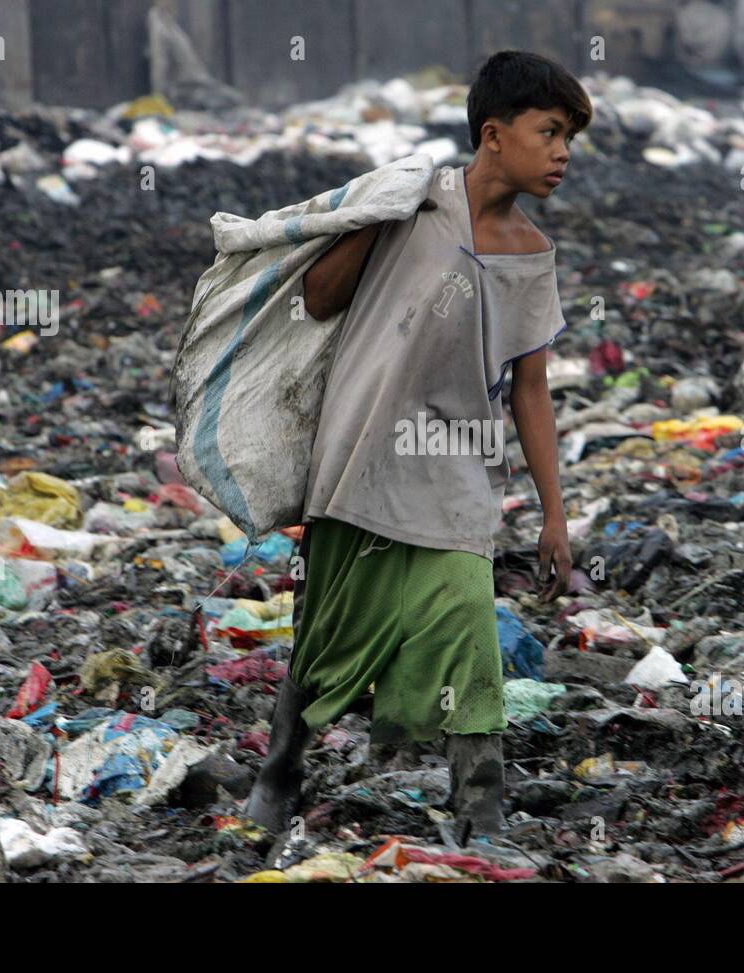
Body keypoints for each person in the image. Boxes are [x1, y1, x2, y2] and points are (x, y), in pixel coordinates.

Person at [246, 50, 590, 843]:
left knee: (469, 621)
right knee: (330, 629)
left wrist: (554, 516)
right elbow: (320, 298)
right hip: (362, 452)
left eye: (570, 135)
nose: (564, 151)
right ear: (493, 135)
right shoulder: (414, 203)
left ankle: (481, 804)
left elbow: (531, 389)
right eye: (550, 131)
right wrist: (372, 219)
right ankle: (280, 769)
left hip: (457, 466)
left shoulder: (532, 257)